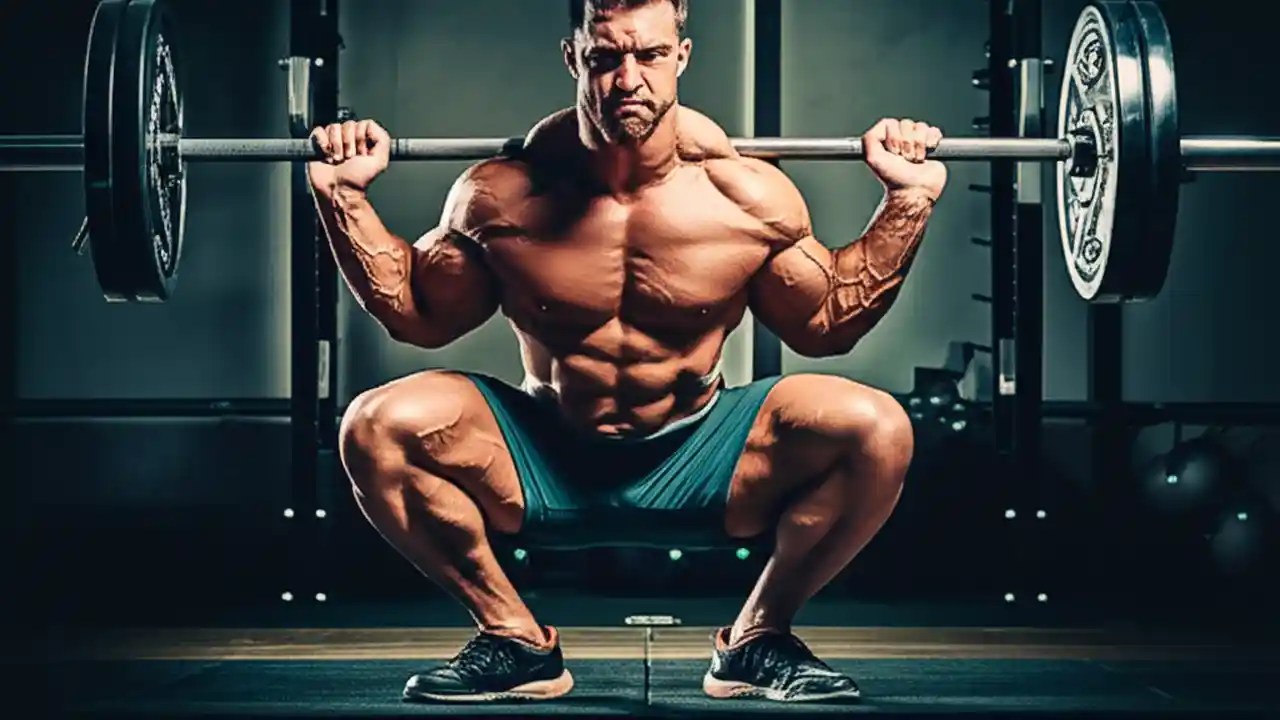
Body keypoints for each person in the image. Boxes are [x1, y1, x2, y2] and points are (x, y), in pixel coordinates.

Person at [308, 0, 946, 705]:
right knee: (374, 425)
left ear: (682, 56)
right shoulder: (503, 194)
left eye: (647, 55)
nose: (628, 78)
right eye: (606, 57)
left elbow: (826, 324)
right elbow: (420, 316)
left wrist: (907, 200)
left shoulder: (745, 196)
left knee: (879, 430)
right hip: (543, 457)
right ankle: (514, 639)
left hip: (703, 458)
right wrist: (345, 199)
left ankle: (759, 639)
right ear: (573, 58)